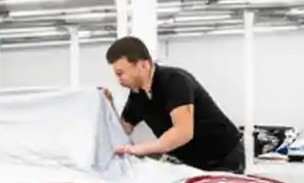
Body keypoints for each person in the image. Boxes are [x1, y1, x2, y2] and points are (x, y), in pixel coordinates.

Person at [102, 35, 245, 173]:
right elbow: (122, 130)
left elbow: (183, 132)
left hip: (223, 156)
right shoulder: (138, 95)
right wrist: (109, 105)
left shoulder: (175, 81)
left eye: (121, 73)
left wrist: (141, 149)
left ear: (143, 65)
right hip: (193, 162)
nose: (119, 79)